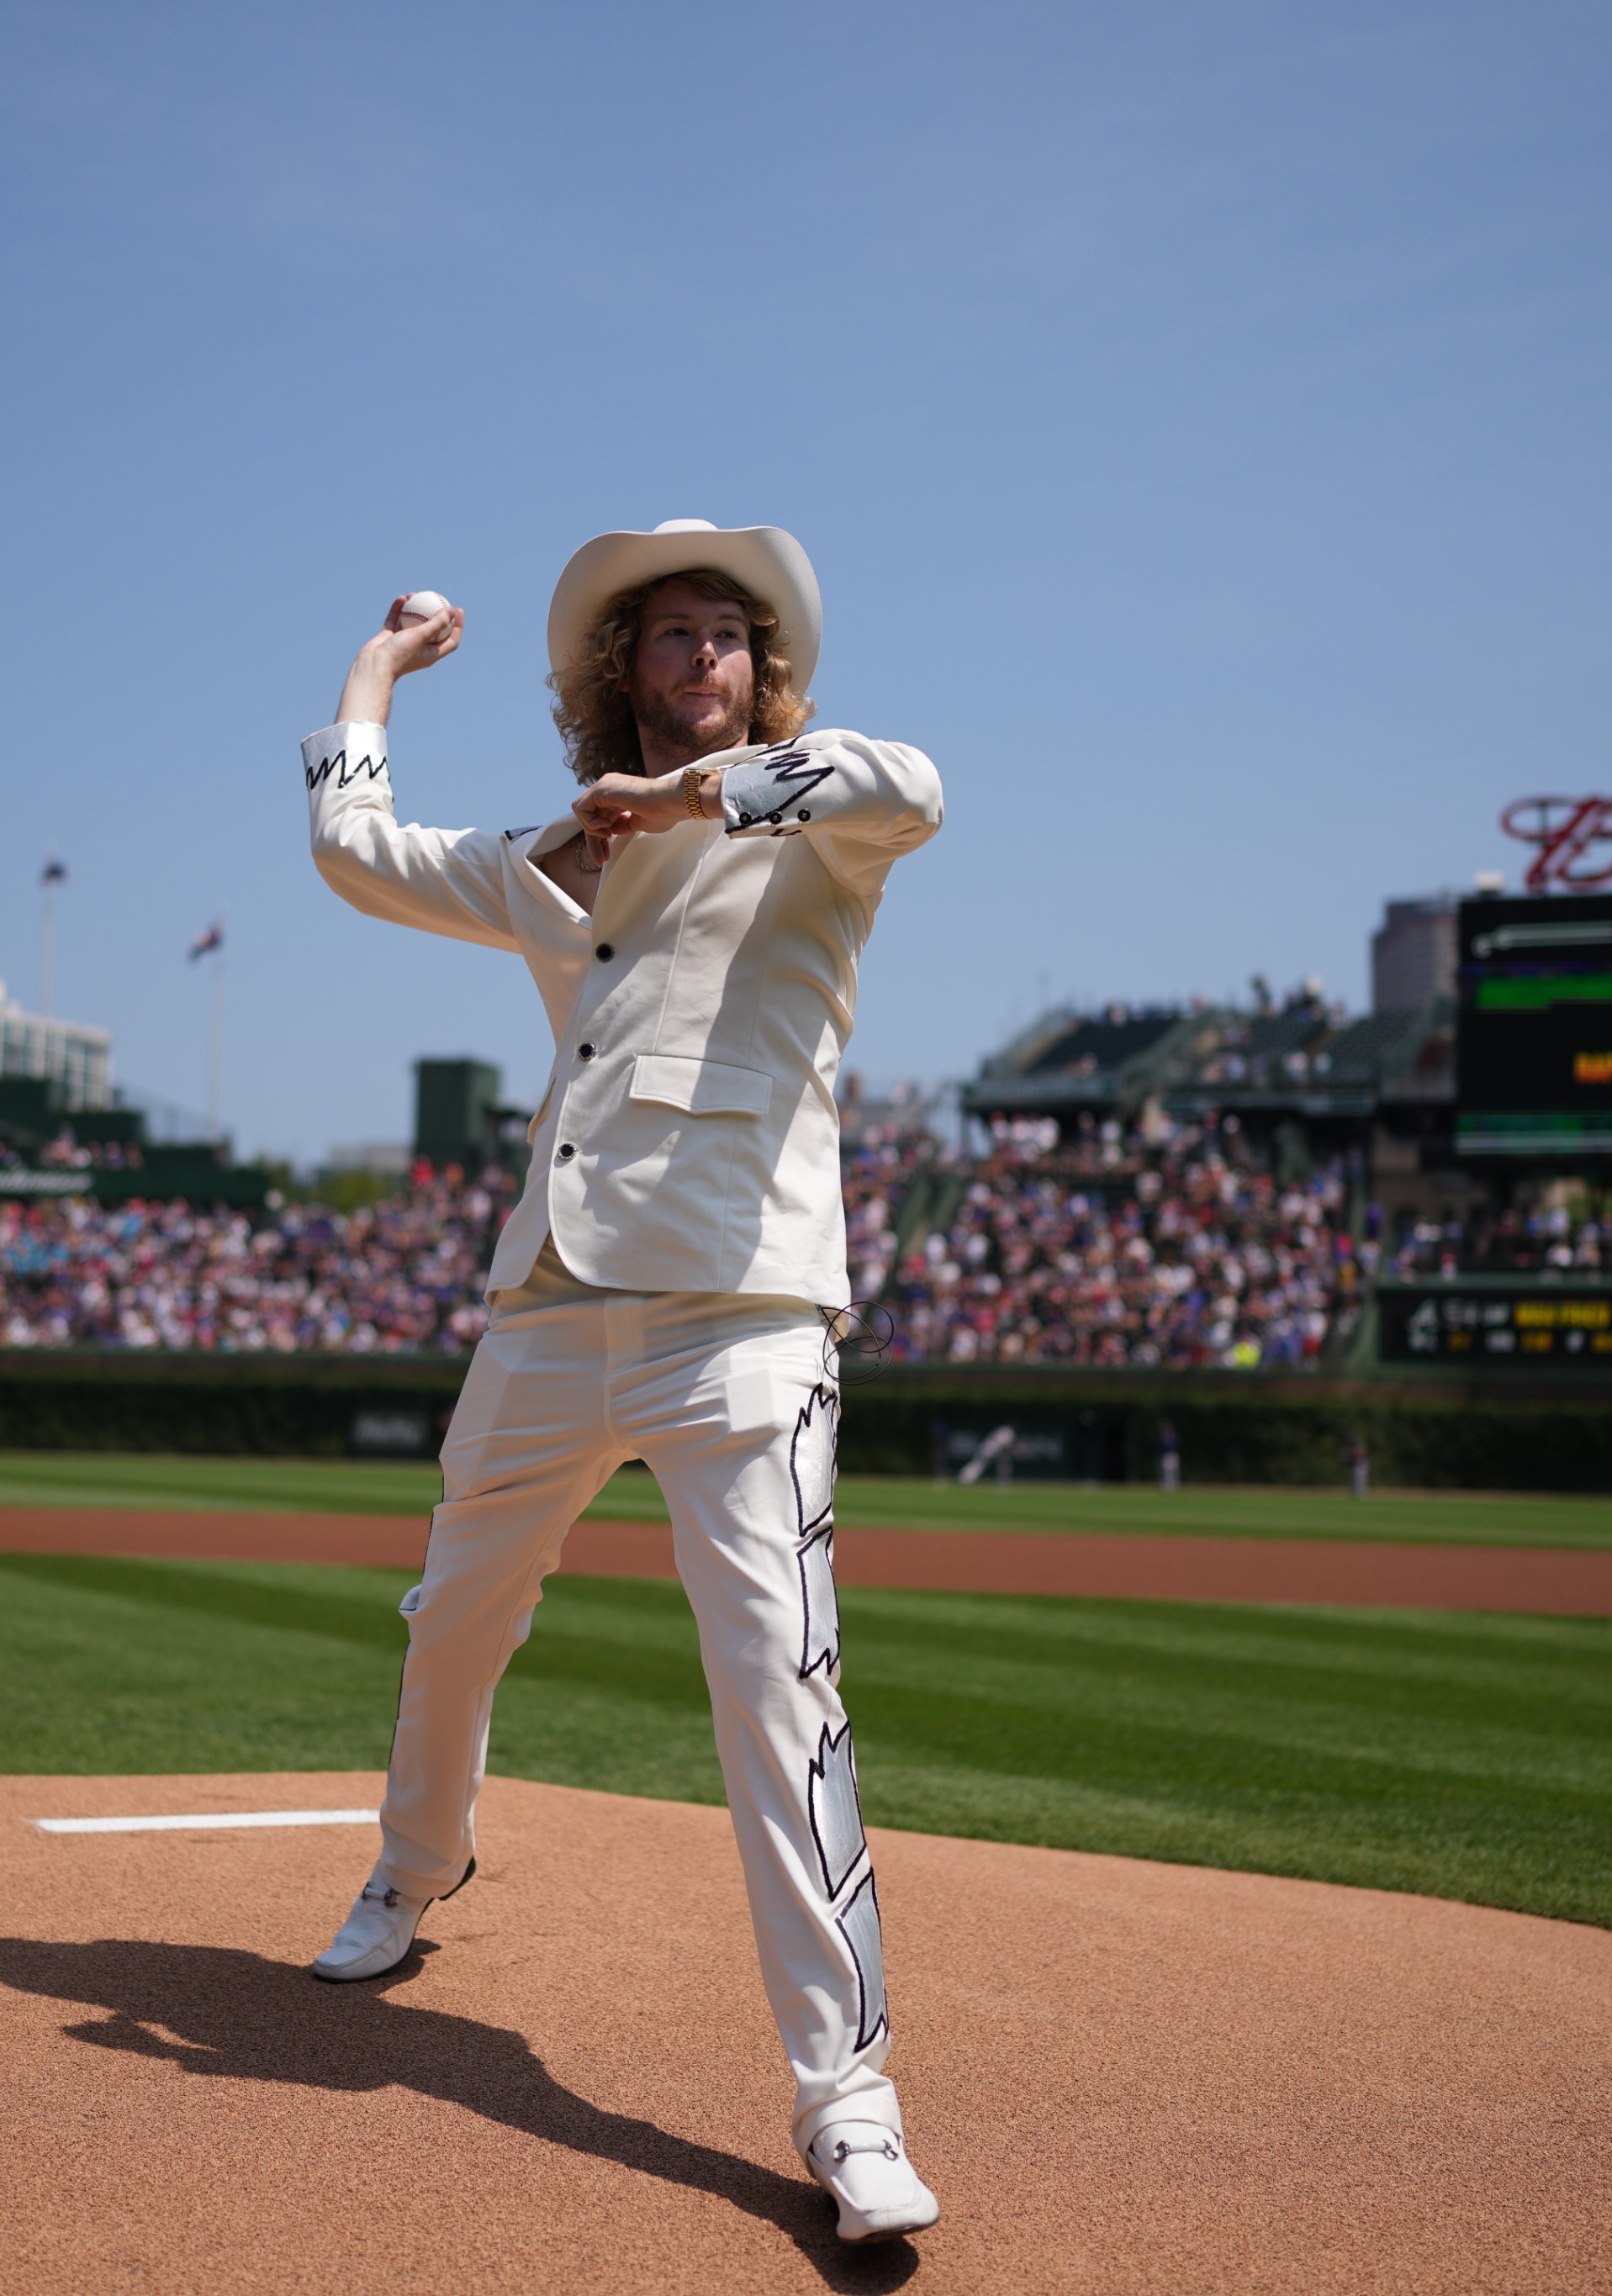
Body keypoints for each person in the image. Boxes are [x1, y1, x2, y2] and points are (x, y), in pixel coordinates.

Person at [301, 520, 945, 2244]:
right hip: (548, 1306)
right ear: (616, 675)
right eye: (667, 637)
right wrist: (373, 674)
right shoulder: (546, 851)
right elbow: (352, 848)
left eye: (726, 636)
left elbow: (913, 779)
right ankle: (411, 1870)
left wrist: (714, 796)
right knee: (450, 1612)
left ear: (762, 672)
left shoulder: (816, 828)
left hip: (738, 1314)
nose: (697, 659)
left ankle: (847, 2102)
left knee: (776, 1694)